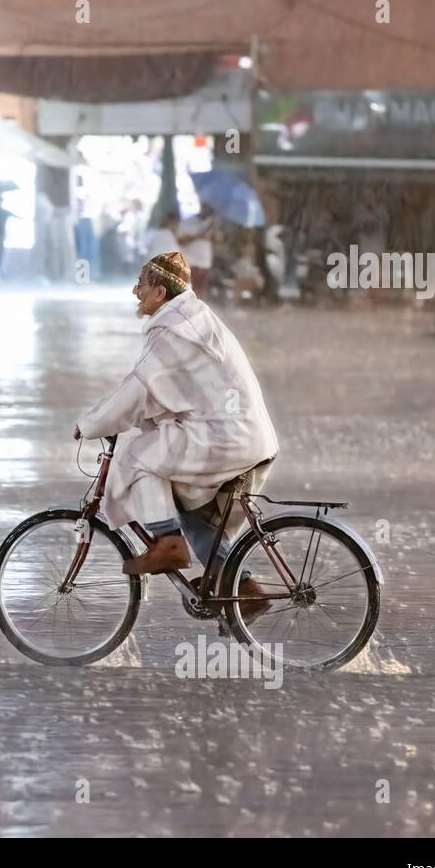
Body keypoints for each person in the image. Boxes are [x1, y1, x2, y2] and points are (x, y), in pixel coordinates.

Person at [72, 251, 278, 620]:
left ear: (161, 293)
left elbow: (138, 391)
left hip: (225, 437)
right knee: (188, 506)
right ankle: (244, 588)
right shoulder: (190, 321)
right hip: (240, 435)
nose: (136, 292)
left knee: (137, 459)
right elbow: (153, 387)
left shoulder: (174, 333)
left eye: (142, 285)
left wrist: (90, 424)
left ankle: (167, 544)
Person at [178, 206, 215, 300]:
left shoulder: (213, 224)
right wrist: (199, 235)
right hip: (190, 262)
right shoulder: (188, 222)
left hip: (205, 263)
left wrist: (213, 235)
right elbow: (181, 241)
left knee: (200, 293)